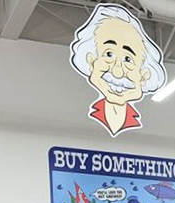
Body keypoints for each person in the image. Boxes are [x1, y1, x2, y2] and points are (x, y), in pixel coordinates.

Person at [70, 5, 166, 137]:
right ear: (91, 61)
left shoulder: (147, 126)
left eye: (128, 59)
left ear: (143, 76)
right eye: (109, 54)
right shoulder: (77, 116)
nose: (117, 72)